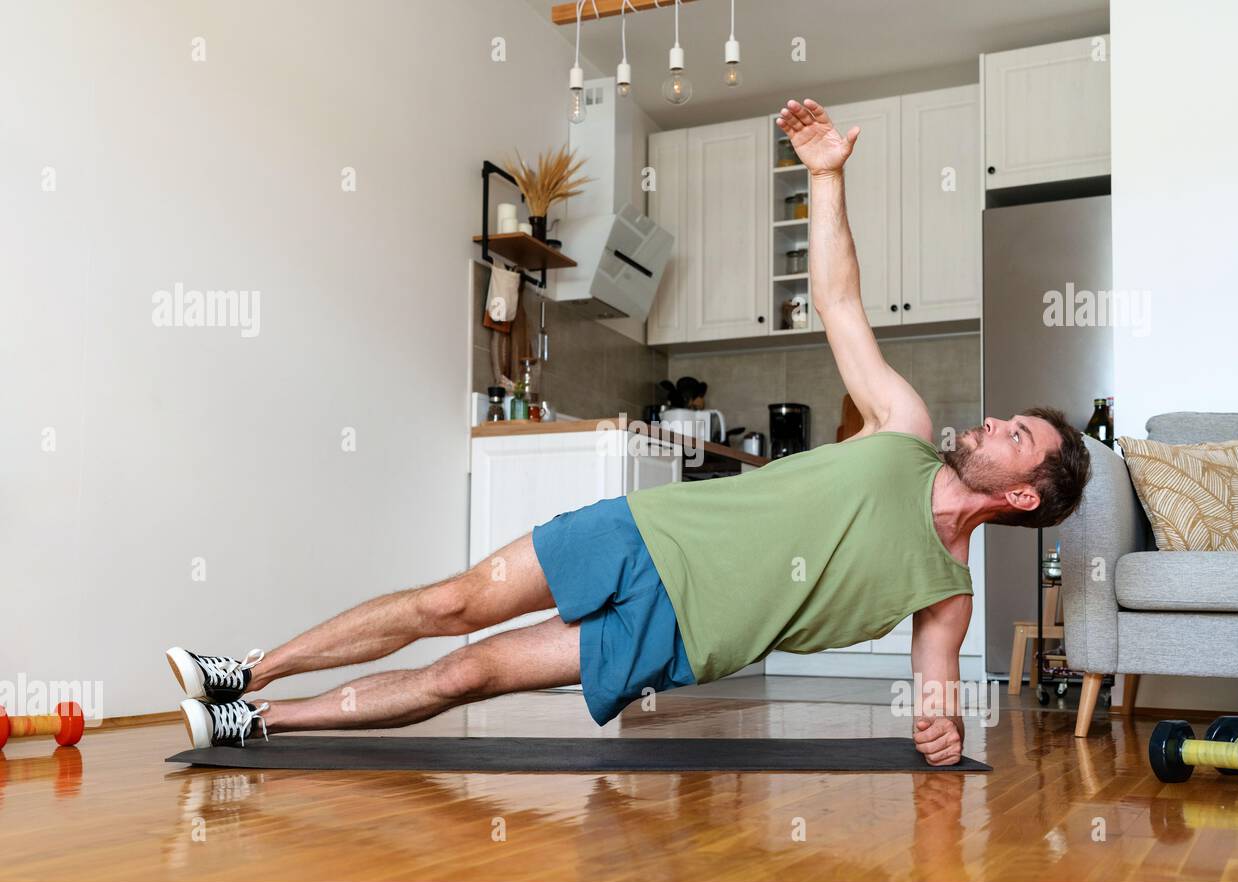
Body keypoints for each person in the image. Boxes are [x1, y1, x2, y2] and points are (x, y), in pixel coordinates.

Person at [166, 99, 1091, 766]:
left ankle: (267, 721)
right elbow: (840, 298)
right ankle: (242, 667)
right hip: (643, 534)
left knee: (469, 673)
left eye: (1017, 436)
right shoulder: (902, 427)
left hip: (678, 633)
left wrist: (942, 727)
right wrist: (825, 180)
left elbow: (933, 699)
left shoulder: (948, 591)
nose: (996, 424)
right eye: (1010, 420)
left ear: (1019, 493)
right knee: (452, 602)